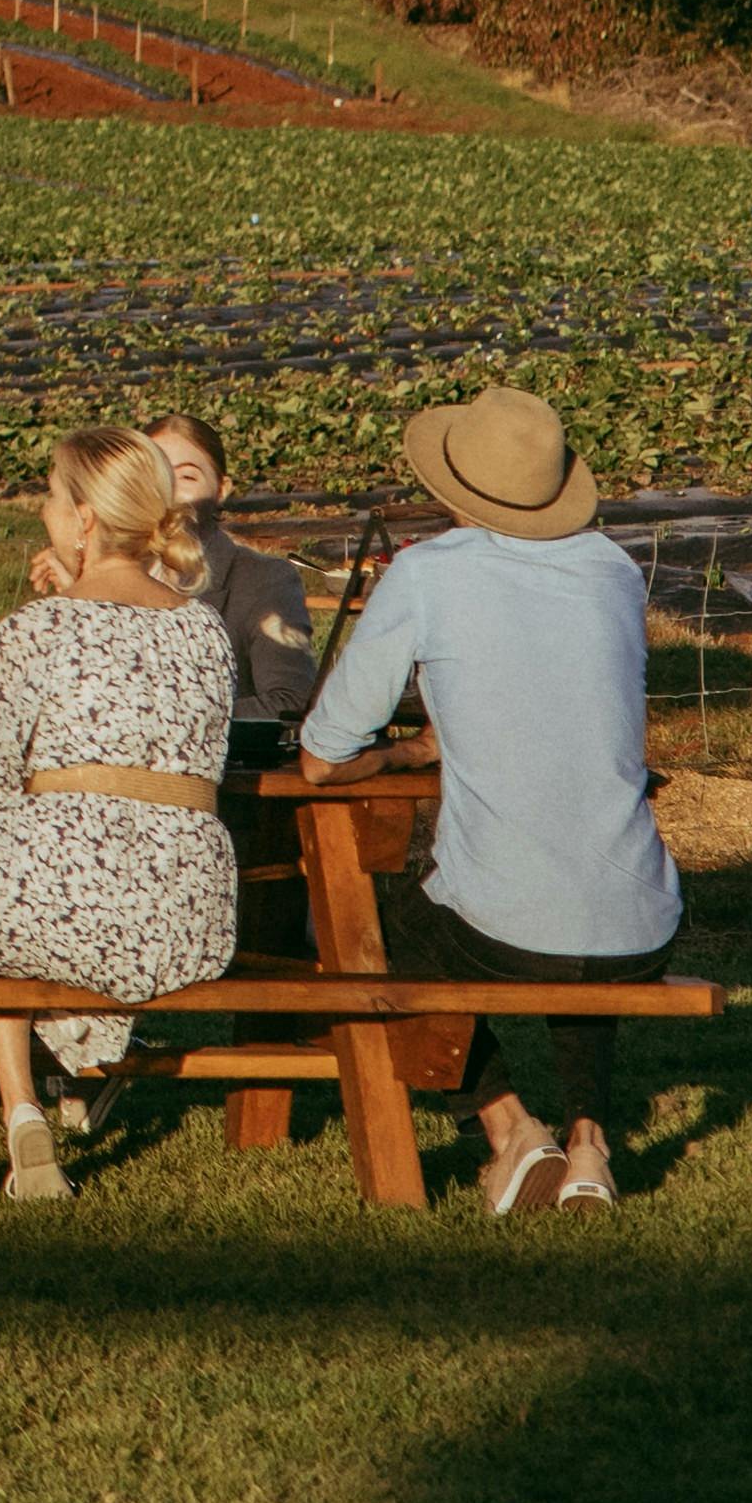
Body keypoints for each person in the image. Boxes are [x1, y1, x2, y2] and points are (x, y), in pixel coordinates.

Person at [297, 383, 682, 1214]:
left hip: (512, 934)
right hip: (644, 919)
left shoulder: (428, 574)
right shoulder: (613, 570)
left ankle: (507, 1127)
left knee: (378, 929)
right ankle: (590, 1143)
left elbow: (325, 757)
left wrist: (413, 748)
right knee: (577, 896)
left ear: (449, 487)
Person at [0, 425, 239, 1205]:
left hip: (62, 904)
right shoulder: (204, 630)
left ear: (84, 518)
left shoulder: (34, 630)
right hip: (184, 912)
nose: (45, 511)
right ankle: (19, 1106)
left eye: (53, 497)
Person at [145, 409, 323, 735]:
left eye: (186, 477)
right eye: (153, 476)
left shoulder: (261, 579)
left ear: (222, 488)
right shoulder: (115, 572)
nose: (167, 492)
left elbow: (289, 700)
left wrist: (169, 725)